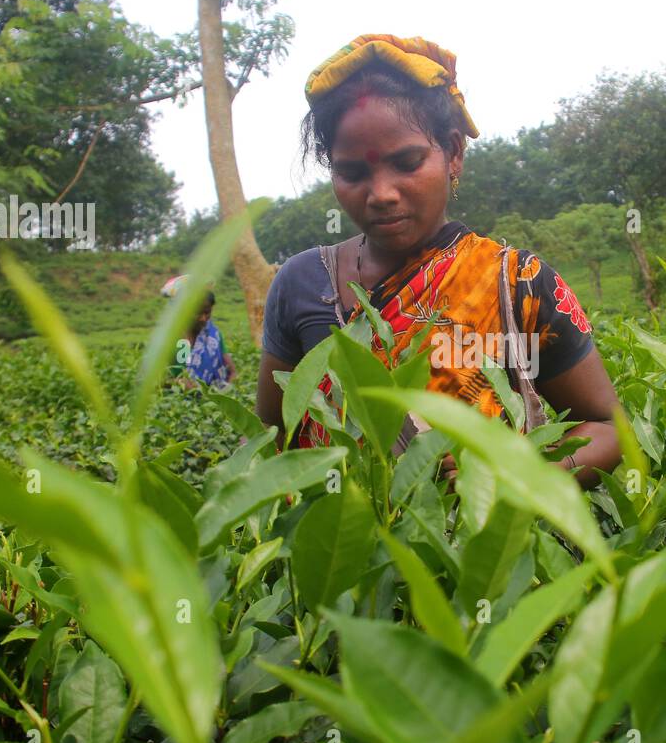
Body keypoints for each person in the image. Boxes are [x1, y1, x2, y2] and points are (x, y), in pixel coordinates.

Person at [255, 34, 621, 489]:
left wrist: (516, 477)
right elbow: (275, 437)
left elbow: (607, 428)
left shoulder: (517, 283)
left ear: (454, 152)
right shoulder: (302, 283)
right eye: (352, 172)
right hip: (337, 554)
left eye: (407, 162)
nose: (381, 194)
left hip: (485, 551)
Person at [174, 290, 236, 389]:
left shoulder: (213, 335)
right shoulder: (180, 340)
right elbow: (171, 377)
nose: (203, 318)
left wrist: (228, 389)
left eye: (207, 312)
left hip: (215, 397)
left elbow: (232, 371)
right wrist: (180, 383)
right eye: (197, 313)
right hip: (183, 400)